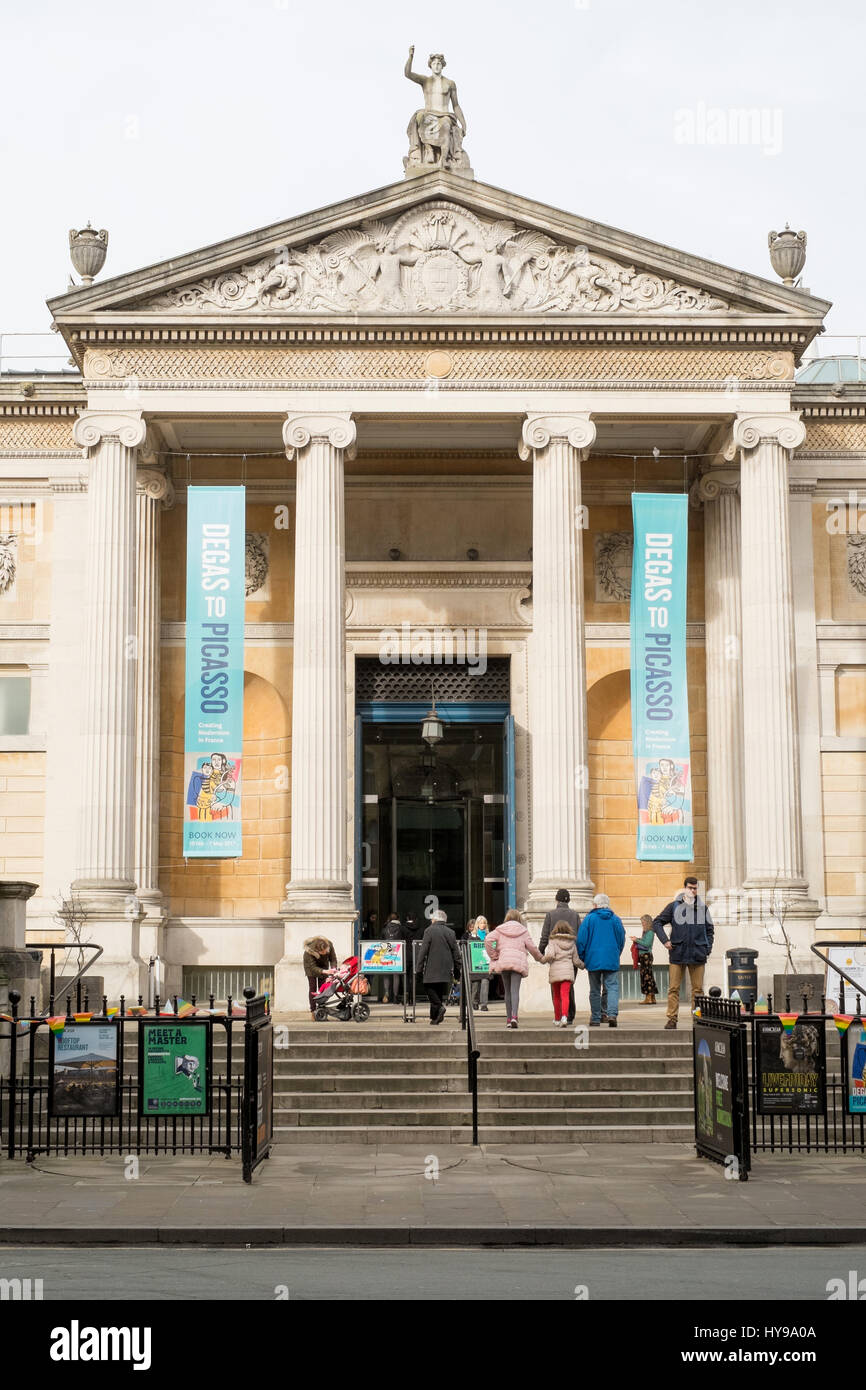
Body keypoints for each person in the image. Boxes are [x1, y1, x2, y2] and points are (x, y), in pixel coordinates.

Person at [652, 876, 715, 1030]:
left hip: (698, 954)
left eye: (695, 888)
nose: (693, 890)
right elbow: (657, 922)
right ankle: (672, 1019)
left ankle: (697, 1019)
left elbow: (710, 930)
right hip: (677, 953)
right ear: (685, 888)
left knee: (698, 990)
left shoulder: (703, 908)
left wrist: (707, 949)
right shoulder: (674, 907)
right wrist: (665, 940)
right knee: (673, 988)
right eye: (690, 887)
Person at [485, 908, 544, 1030]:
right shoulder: (523, 931)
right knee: (515, 991)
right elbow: (532, 947)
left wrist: (494, 955)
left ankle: (508, 1019)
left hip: (504, 961)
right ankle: (514, 1017)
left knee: (507, 991)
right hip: (518, 963)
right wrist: (540, 958)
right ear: (518, 918)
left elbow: (488, 939)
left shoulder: (500, 929)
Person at [577, 893, 626, 1028]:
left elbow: (581, 940)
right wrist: (617, 953)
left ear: (595, 905)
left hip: (593, 959)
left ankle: (596, 1018)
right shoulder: (615, 919)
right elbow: (621, 939)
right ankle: (611, 1015)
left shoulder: (589, 919)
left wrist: (582, 957)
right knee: (612, 988)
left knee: (594, 990)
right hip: (611, 958)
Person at [540, 889, 581, 1024]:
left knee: (556, 990)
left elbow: (545, 936)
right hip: (571, 955)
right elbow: (580, 938)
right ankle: (569, 1015)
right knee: (569, 986)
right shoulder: (575, 915)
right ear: (568, 900)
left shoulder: (550, 915)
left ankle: (559, 1016)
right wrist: (581, 958)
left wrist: (540, 953)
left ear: (556, 900)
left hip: (555, 957)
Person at [415, 909, 460, 1024]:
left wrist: (418, 969)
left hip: (432, 965)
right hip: (446, 966)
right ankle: (435, 1017)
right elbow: (456, 952)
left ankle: (440, 1007)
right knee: (438, 989)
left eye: (432, 919)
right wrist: (457, 969)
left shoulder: (429, 931)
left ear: (434, 919)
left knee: (428, 987)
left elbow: (423, 951)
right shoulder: (451, 932)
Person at [543, 921, 583, 1028]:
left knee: (556, 996)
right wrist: (583, 965)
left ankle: (557, 1018)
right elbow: (576, 960)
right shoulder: (572, 942)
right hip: (568, 972)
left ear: (556, 929)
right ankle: (565, 1017)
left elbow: (550, 955)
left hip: (555, 971)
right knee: (565, 995)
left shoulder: (553, 941)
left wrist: (543, 959)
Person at [302, 936, 337, 1021]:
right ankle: (313, 1012)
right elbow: (313, 967)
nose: (325, 953)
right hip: (310, 967)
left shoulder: (329, 945)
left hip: (323, 965)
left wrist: (333, 968)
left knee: (323, 989)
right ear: (317, 951)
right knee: (313, 989)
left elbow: (333, 959)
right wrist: (325, 972)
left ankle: (321, 1012)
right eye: (322, 952)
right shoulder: (309, 952)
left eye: (326, 951)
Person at [630, 913, 658, 1004]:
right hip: (644, 956)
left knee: (647, 977)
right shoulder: (646, 932)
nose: (642, 924)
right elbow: (644, 942)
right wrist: (637, 939)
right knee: (647, 976)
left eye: (643, 922)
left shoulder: (650, 932)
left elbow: (647, 944)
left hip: (646, 956)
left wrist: (636, 940)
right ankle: (652, 997)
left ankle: (649, 997)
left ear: (647, 922)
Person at [466, 915, 491, 1010]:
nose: (483, 925)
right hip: (475, 964)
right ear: (477, 924)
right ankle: (474, 1002)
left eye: (484, 923)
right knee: (475, 984)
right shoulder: (472, 936)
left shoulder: (489, 936)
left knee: (485, 983)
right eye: (481, 923)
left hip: (486, 964)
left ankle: (484, 1004)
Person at [382, 911, 403, 1004]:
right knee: (396, 975)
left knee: (386, 974)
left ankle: (386, 994)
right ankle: (395, 996)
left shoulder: (385, 928)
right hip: (397, 954)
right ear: (398, 919)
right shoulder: (401, 928)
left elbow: (380, 939)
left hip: (386, 952)